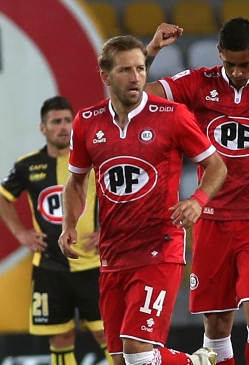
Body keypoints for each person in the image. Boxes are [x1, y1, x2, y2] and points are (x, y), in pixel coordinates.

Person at [144, 18, 249, 365]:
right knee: (217, 324)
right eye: (230, 64)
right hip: (213, 217)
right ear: (219, 53)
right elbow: (135, 96)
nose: (238, 72)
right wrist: (150, 51)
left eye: (246, 64)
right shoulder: (198, 83)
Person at [57, 35, 227, 365]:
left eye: (139, 68)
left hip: (158, 248)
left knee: (137, 352)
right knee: (121, 360)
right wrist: (68, 224)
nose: (135, 77)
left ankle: (197, 363)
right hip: (113, 254)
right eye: (125, 70)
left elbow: (216, 165)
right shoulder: (87, 122)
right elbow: (76, 181)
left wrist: (198, 200)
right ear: (105, 77)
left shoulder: (172, 116)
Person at [0, 96, 112, 365]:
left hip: (91, 265)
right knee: (59, 338)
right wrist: (19, 233)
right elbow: (2, 198)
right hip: (49, 267)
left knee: (106, 334)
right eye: (56, 122)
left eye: (68, 121)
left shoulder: (93, 160)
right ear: (43, 128)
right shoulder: (27, 165)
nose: (63, 127)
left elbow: (118, 196)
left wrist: (106, 231)